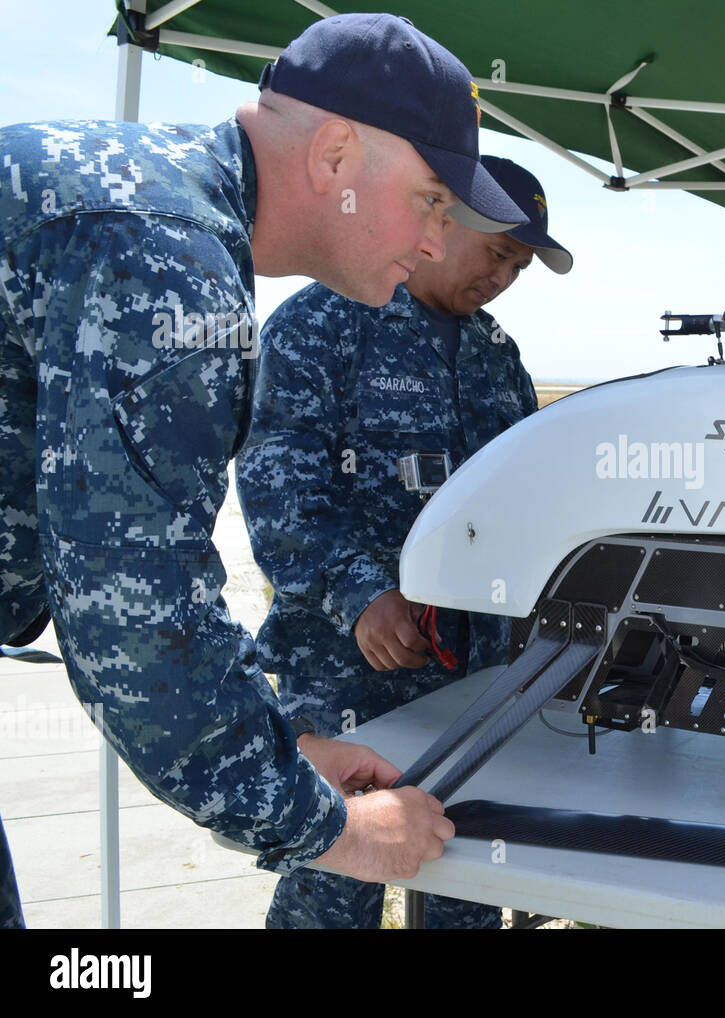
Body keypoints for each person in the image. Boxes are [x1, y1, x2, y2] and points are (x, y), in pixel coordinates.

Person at [0, 13, 528, 929]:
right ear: (333, 157)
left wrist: (283, 748)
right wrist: (338, 832)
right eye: (432, 200)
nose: (439, 243)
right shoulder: (166, 260)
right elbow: (136, 630)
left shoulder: (148, 201)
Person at [237, 156, 571, 929]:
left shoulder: (496, 357)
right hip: (350, 679)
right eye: (498, 254)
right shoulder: (324, 325)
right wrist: (362, 596)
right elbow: (280, 489)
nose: (504, 279)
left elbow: (524, 500)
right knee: (333, 883)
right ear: (445, 220)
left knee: (467, 882)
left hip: (474, 682)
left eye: (519, 268)